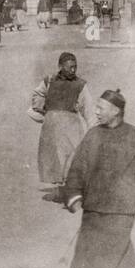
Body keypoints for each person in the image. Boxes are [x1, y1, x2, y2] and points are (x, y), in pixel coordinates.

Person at [62, 89, 135, 268]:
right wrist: (73, 195)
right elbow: (77, 167)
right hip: (93, 208)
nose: (96, 112)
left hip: (121, 211)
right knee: (82, 261)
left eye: (101, 108)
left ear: (116, 111)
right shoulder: (93, 135)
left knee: (110, 263)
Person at [33, 52, 91, 186]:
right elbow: (38, 94)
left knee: (71, 155)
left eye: (75, 67)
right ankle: (61, 188)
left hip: (71, 127)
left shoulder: (80, 85)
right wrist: (41, 107)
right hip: (51, 128)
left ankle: (70, 188)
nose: (73, 70)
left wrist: (92, 129)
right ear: (60, 66)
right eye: (69, 67)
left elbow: (88, 108)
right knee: (54, 158)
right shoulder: (50, 80)